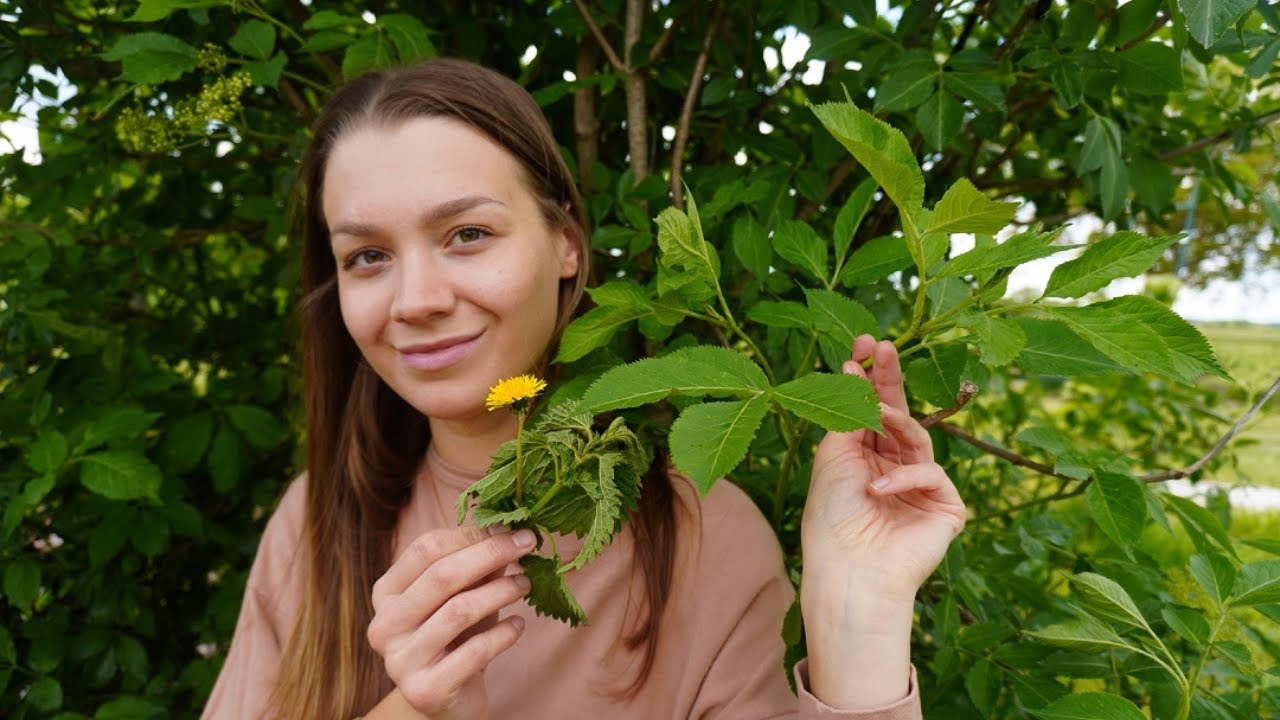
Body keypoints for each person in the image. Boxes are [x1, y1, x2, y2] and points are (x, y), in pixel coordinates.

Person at [201, 58, 966, 720]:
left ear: (566, 243)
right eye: (367, 256)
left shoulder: (707, 539)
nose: (416, 300)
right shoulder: (313, 523)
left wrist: (856, 618)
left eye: (467, 234)